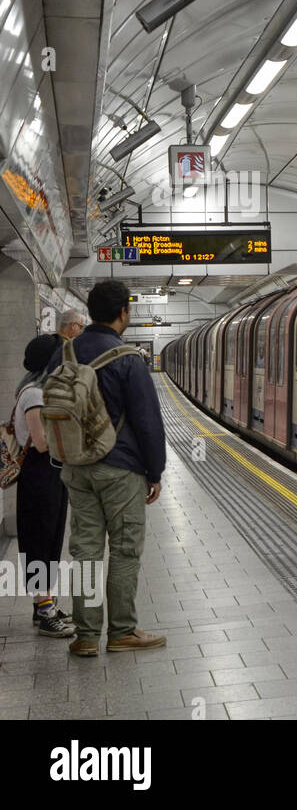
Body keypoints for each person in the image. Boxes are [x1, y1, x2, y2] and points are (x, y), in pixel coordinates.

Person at [47, 280, 167, 657]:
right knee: (124, 550)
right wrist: (155, 471)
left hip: (75, 468)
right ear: (123, 313)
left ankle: (85, 636)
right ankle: (121, 632)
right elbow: (148, 421)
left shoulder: (63, 354)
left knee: (85, 551)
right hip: (120, 469)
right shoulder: (128, 358)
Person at [13, 334, 75, 637]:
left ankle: (44, 605)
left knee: (50, 540)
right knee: (40, 541)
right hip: (39, 477)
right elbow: (40, 442)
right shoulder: (34, 394)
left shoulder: (39, 390)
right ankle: (44, 607)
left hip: (49, 476)